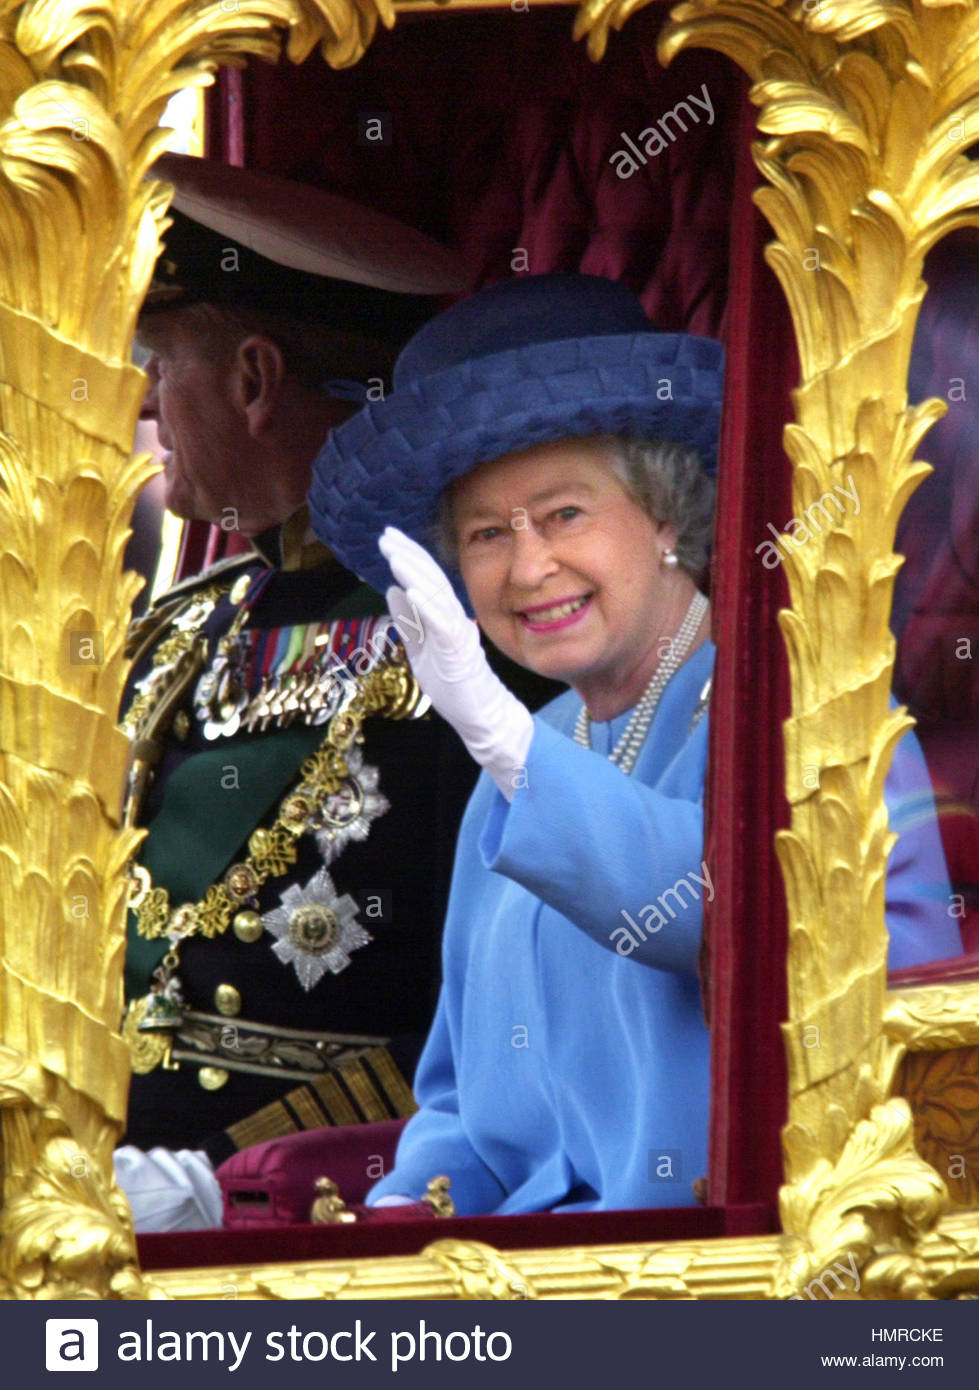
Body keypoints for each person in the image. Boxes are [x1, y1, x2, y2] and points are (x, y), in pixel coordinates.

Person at [307, 273, 962, 1214]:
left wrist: (504, 746)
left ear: (664, 516)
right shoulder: (527, 752)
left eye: (565, 514)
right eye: (488, 533)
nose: (528, 567)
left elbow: (747, 936)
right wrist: (391, 1234)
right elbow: (460, 1112)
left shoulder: (804, 706)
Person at [114, 154, 505, 1231]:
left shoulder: (468, 650)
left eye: (161, 363)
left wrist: (235, 1186)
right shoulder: (183, 626)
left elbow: (468, 1028)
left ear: (253, 378)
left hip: (287, 1201)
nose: (148, 405)